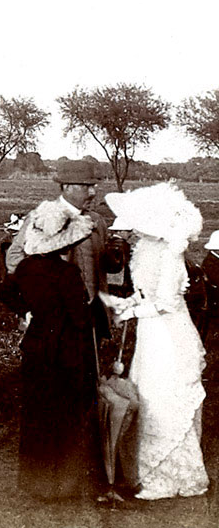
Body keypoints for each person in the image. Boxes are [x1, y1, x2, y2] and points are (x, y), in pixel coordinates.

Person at [103, 183, 208, 500]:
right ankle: (143, 469)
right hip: (151, 332)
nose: (134, 230)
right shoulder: (146, 249)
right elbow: (145, 293)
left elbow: (166, 302)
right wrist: (126, 304)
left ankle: (169, 474)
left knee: (163, 397)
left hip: (167, 333)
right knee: (147, 394)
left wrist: (131, 312)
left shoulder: (171, 254)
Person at [2, 200, 99, 500]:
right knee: (64, 415)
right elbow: (80, 318)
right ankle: (61, 482)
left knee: (36, 414)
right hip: (65, 350)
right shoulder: (67, 274)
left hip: (36, 345)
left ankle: (35, 481)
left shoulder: (26, 268)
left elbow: (5, 292)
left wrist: (27, 311)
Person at [7, 159, 110, 337]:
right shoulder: (44, 217)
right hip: (56, 318)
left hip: (91, 314)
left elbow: (103, 265)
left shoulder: (96, 221)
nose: (93, 192)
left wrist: (115, 256)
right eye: (86, 186)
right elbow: (14, 257)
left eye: (93, 186)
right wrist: (38, 295)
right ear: (67, 187)